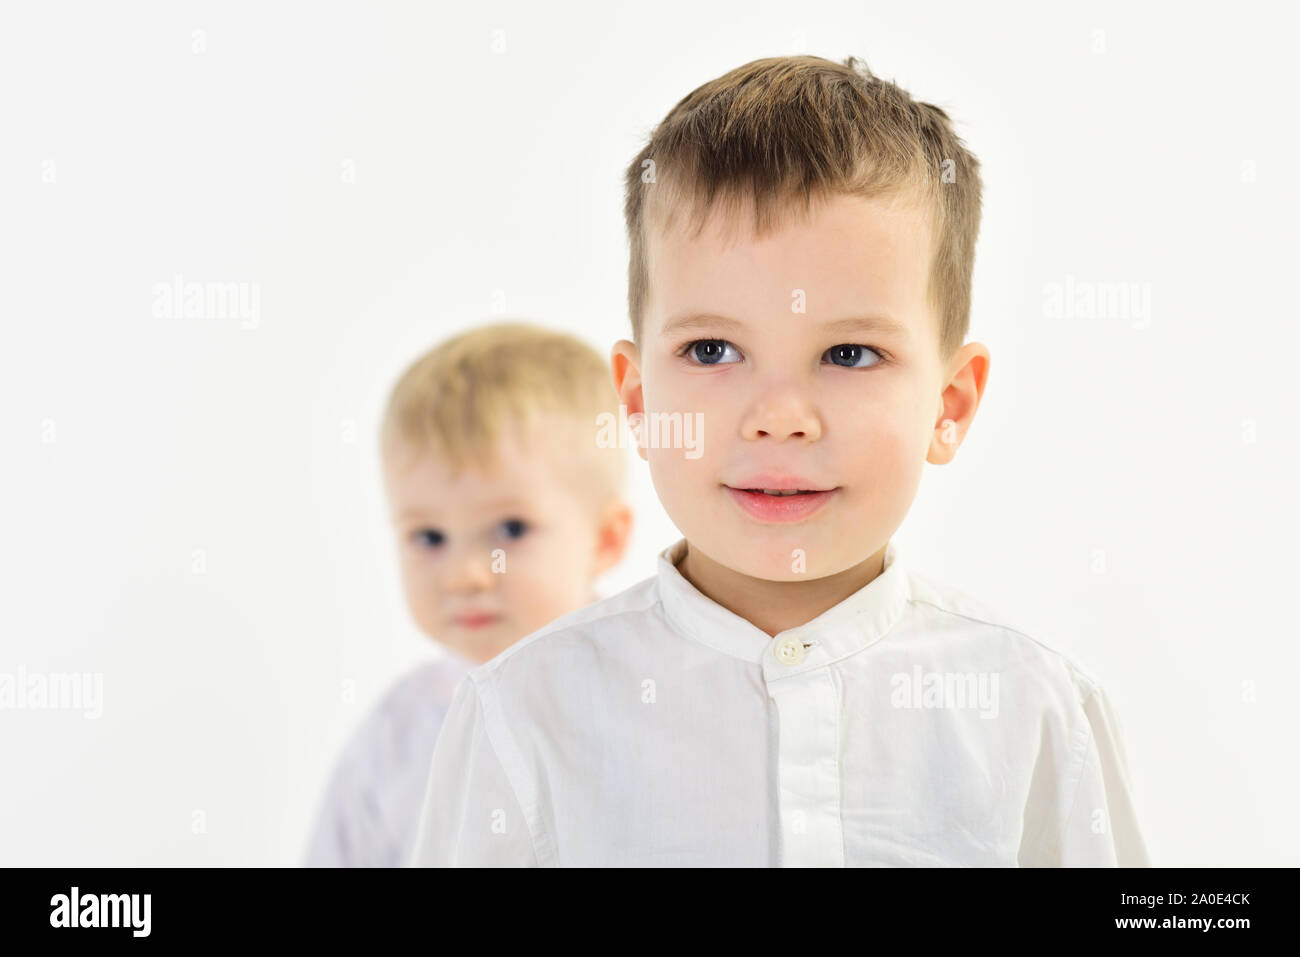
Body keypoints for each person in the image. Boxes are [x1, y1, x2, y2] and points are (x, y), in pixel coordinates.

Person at [410, 55, 1150, 866]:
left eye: (850, 353)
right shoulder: (523, 715)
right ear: (639, 402)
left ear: (950, 404)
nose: (779, 419)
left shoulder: (1036, 709)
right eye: (714, 348)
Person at [302, 321, 633, 866]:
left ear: (605, 539)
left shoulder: (652, 697)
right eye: (429, 537)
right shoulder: (399, 734)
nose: (464, 575)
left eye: (510, 530)